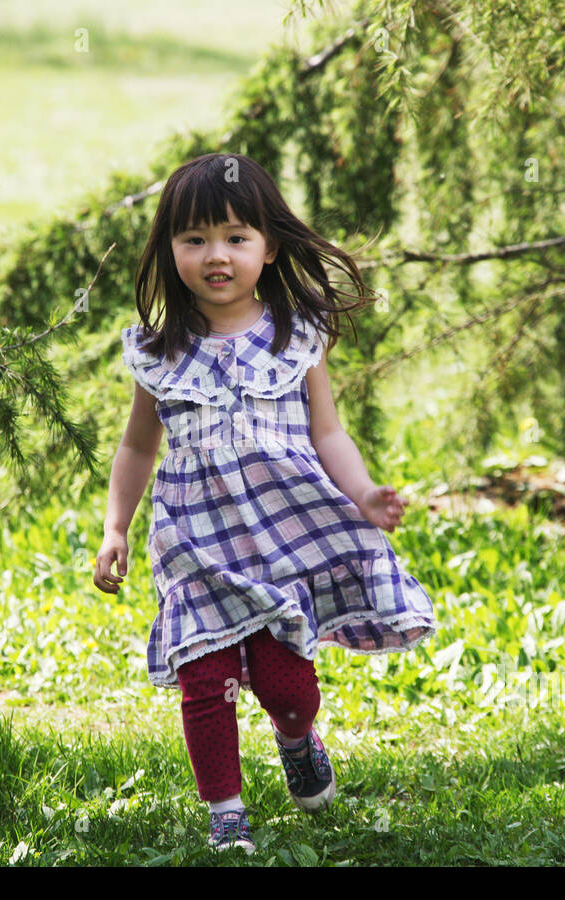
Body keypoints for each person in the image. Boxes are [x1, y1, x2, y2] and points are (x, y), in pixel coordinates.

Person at [94, 152, 440, 854]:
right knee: (204, 680)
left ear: (269, 246)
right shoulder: (160, 352)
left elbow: (329, 432)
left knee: (287, 683)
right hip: (194, 544)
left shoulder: (293, 336)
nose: (214, 256)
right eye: (193, 240)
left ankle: (295, 734)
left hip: (281, 538)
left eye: (235, 238)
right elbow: (136, 449)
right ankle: (226, 815)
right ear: (168, 250)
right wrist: (116, 529)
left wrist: (365, 493)